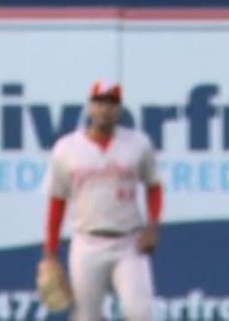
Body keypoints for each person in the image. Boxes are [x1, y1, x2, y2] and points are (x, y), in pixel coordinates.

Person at [40, 82, 162, 321]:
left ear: (119, 109)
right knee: (86, 316)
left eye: (111, 103)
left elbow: (153, 186)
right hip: (87, 242)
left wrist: (153, 225)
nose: (105, 109)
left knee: (140, 313)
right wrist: (49, 252)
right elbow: (56, 201)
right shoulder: (67, 148)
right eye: (99, 102)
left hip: (130, 241)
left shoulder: (138, 144)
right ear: (89, 107)